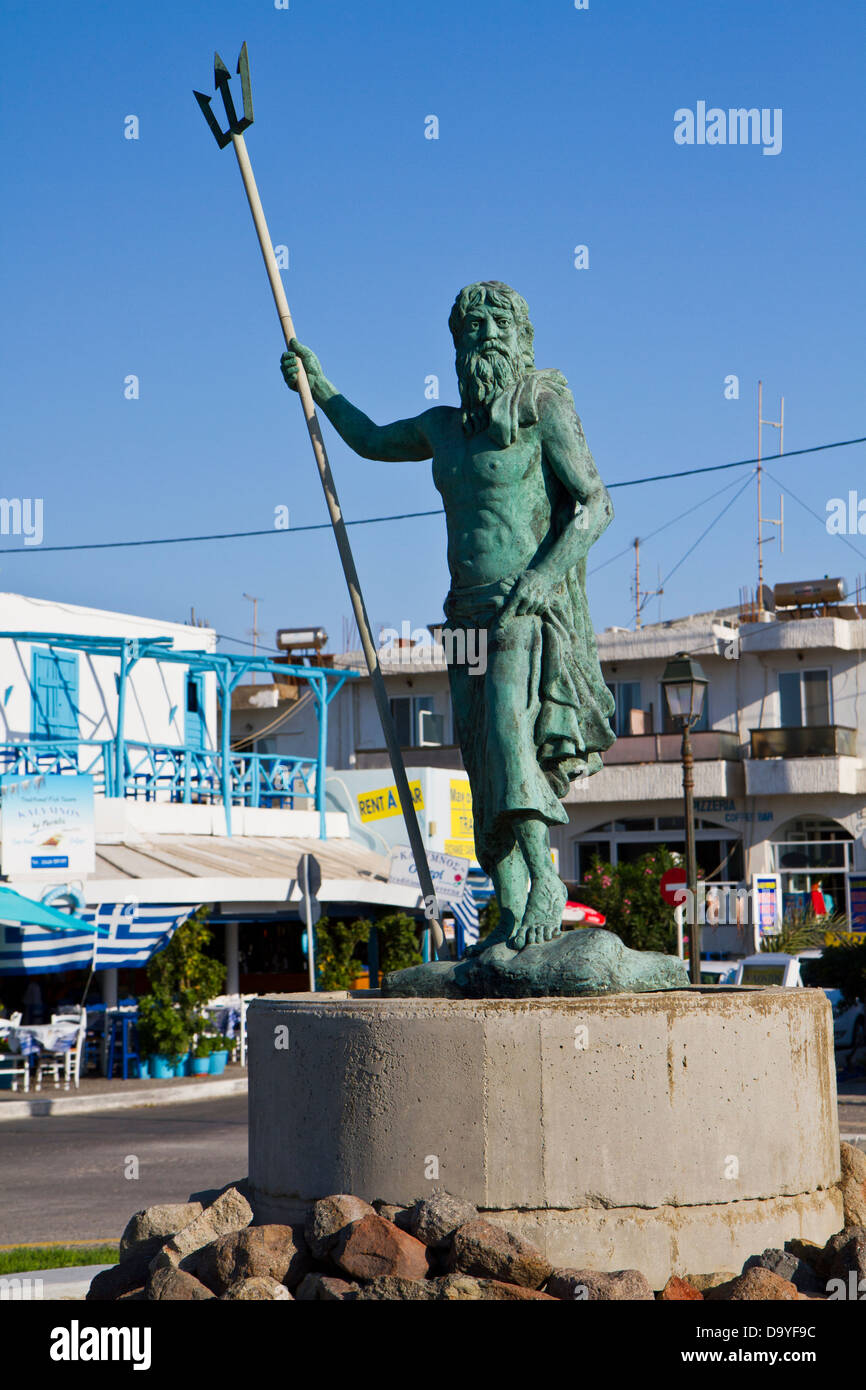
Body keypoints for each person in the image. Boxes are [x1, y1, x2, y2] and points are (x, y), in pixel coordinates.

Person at [281, 281, 615, 949]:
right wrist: (318, 386)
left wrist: (545, 579)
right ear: (456, 349)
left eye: (498, 329)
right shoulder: (443, 428)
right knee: (479, 756)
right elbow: (373, 441)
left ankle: (548, 881)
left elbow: (596, 504)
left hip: (520, 605)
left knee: (508, 733)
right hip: (462, 615)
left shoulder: (541, 407)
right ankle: (512, 904)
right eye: (471, 333)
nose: (483, 341)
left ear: (522, 342)